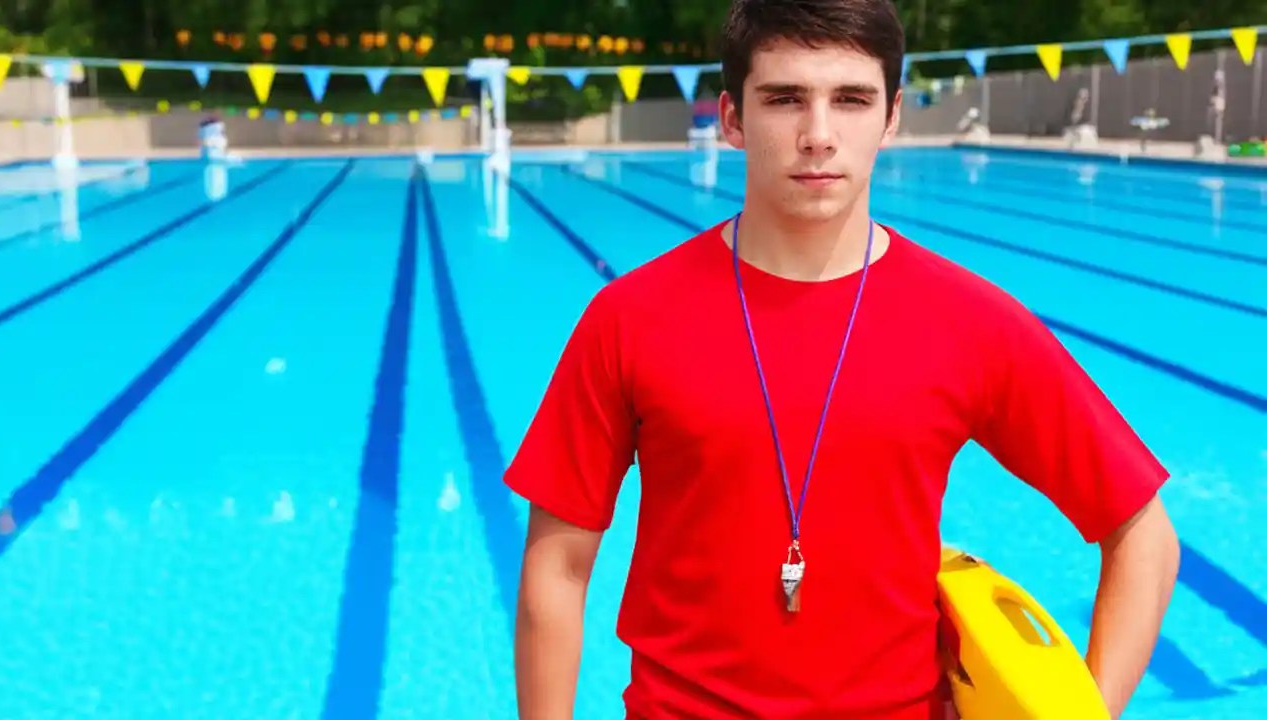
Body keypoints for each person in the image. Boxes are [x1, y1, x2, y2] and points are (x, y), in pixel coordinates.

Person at [504, 0, 1181, 718]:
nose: (818, 135)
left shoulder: (971, 322)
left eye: (851, 100)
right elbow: (557, 569)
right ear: (733, 118)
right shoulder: (630, 319)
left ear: (890, 117)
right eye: (785, 98)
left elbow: (1143, 534)